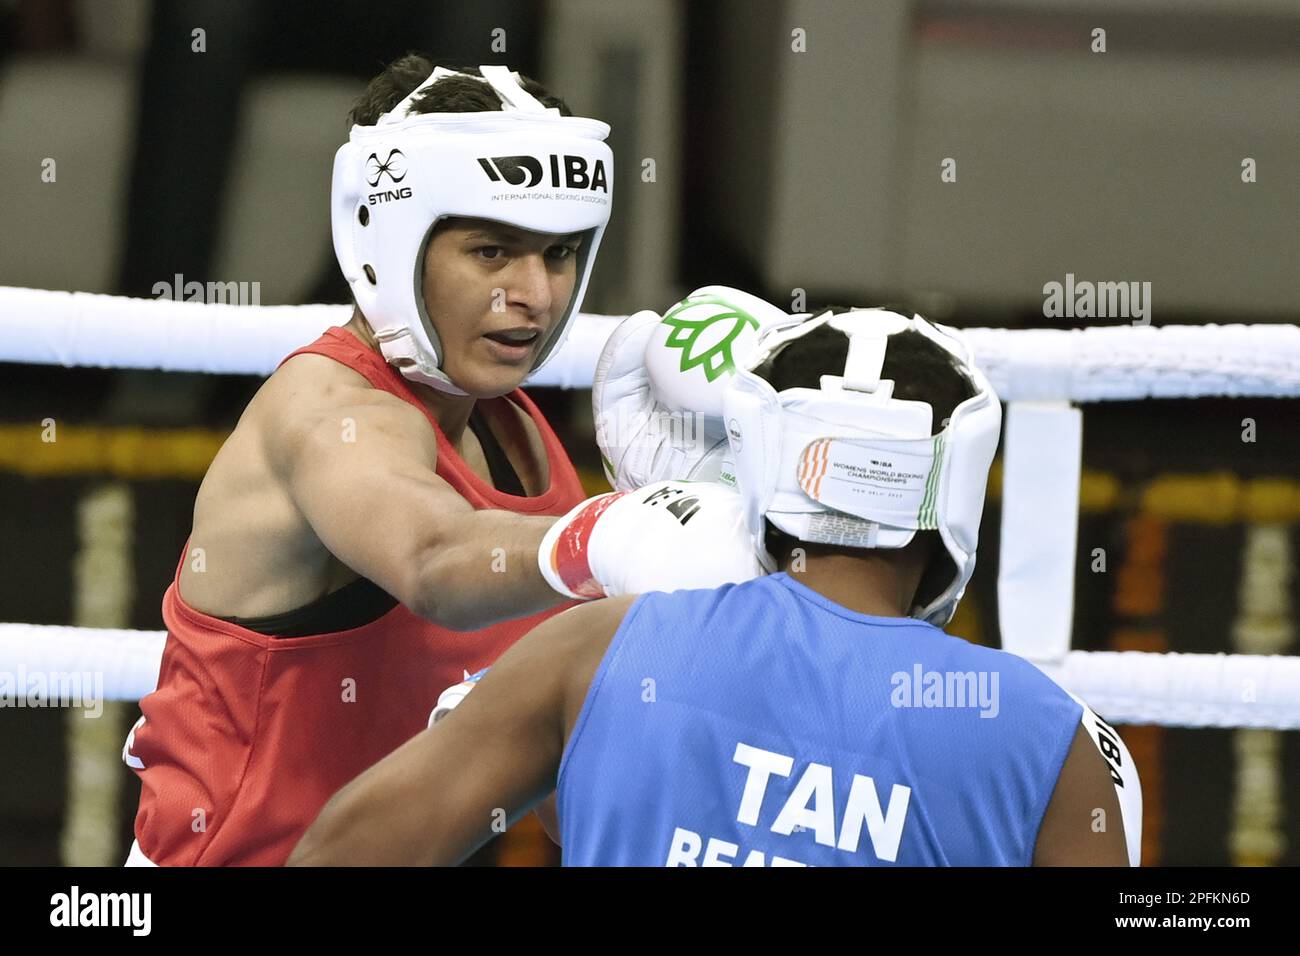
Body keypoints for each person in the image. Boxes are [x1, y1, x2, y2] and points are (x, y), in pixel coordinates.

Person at [121, 56, 761, 866]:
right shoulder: (326, 413)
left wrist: (684, 573)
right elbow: (432, 560)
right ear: (387, 240)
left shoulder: (519, 438)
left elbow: (567, 794)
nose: (534, 293)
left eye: (560, 252)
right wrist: (616, 533)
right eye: (492, 252)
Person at [289, 306, 1140, 867]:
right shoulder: (1043, 736)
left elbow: (340, 855)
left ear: (760, 454)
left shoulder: (602, 650)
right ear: (953, 484)